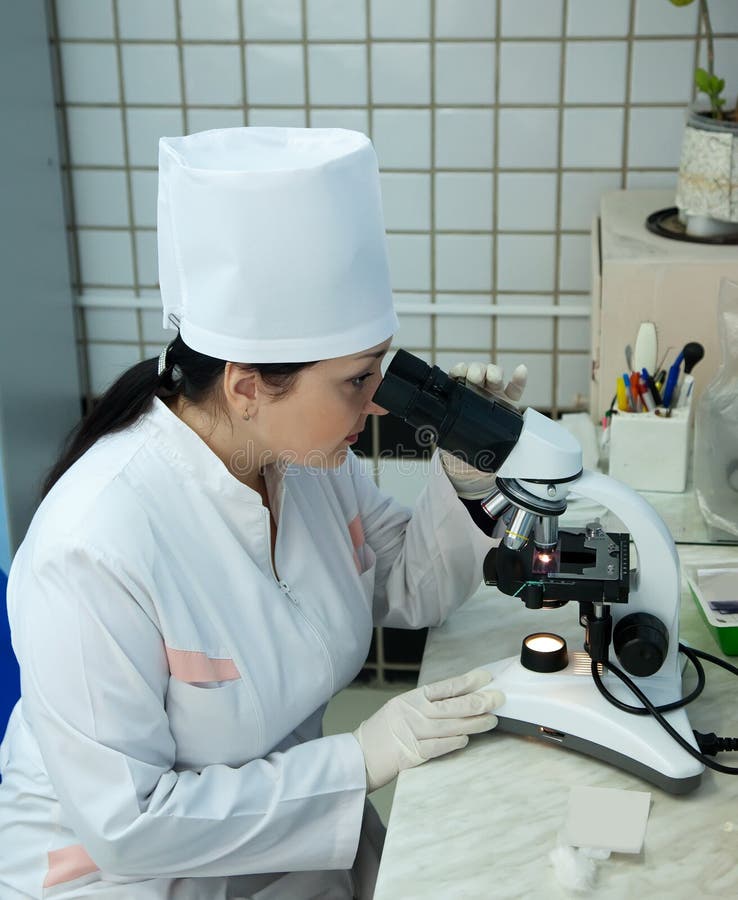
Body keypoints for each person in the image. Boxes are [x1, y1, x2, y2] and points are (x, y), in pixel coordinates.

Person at [0, 127, 525, 899]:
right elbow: (128, 823)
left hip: (278, 838)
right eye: (355, 380)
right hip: (122, 878)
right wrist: (358, 759)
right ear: (247, 388)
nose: (377, 399)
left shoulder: (304, 465)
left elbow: (409, 588)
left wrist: (465, 480)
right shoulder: (92, 547)